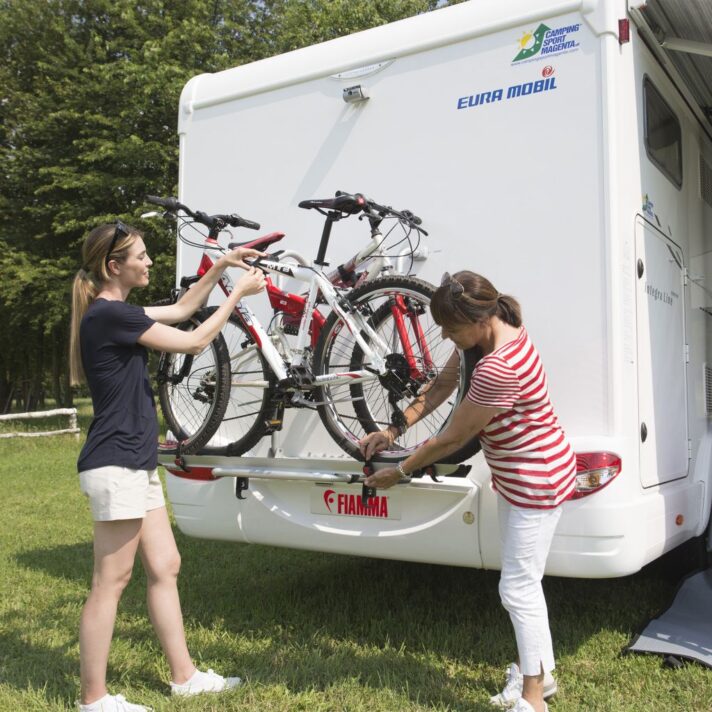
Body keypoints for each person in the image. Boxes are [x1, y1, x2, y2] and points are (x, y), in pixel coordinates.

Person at [69, 220, 266, 712]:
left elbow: (182, 309)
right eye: (141, 255)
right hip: (115, 462)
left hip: (134, 459)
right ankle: (93, 700)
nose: (150, 261)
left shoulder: (119, 311)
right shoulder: (108, 316)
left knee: (166, 565)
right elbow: (195, 340)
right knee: (110, 582)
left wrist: (221, 266)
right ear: (114, 266)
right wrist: (237, 294)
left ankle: (185, 677)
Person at [360, 270, 575, 712]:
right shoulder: (488, 339)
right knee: (525, 584)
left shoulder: (501, 366)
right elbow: (441, 386)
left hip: (538, 479)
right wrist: (395, 426)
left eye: (450, 328)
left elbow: (452, 438)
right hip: (523, 477)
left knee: (517, 589)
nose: (444, 335)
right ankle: (540, 675)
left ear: (479, 320)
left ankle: (533, 700)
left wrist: (398, 472)